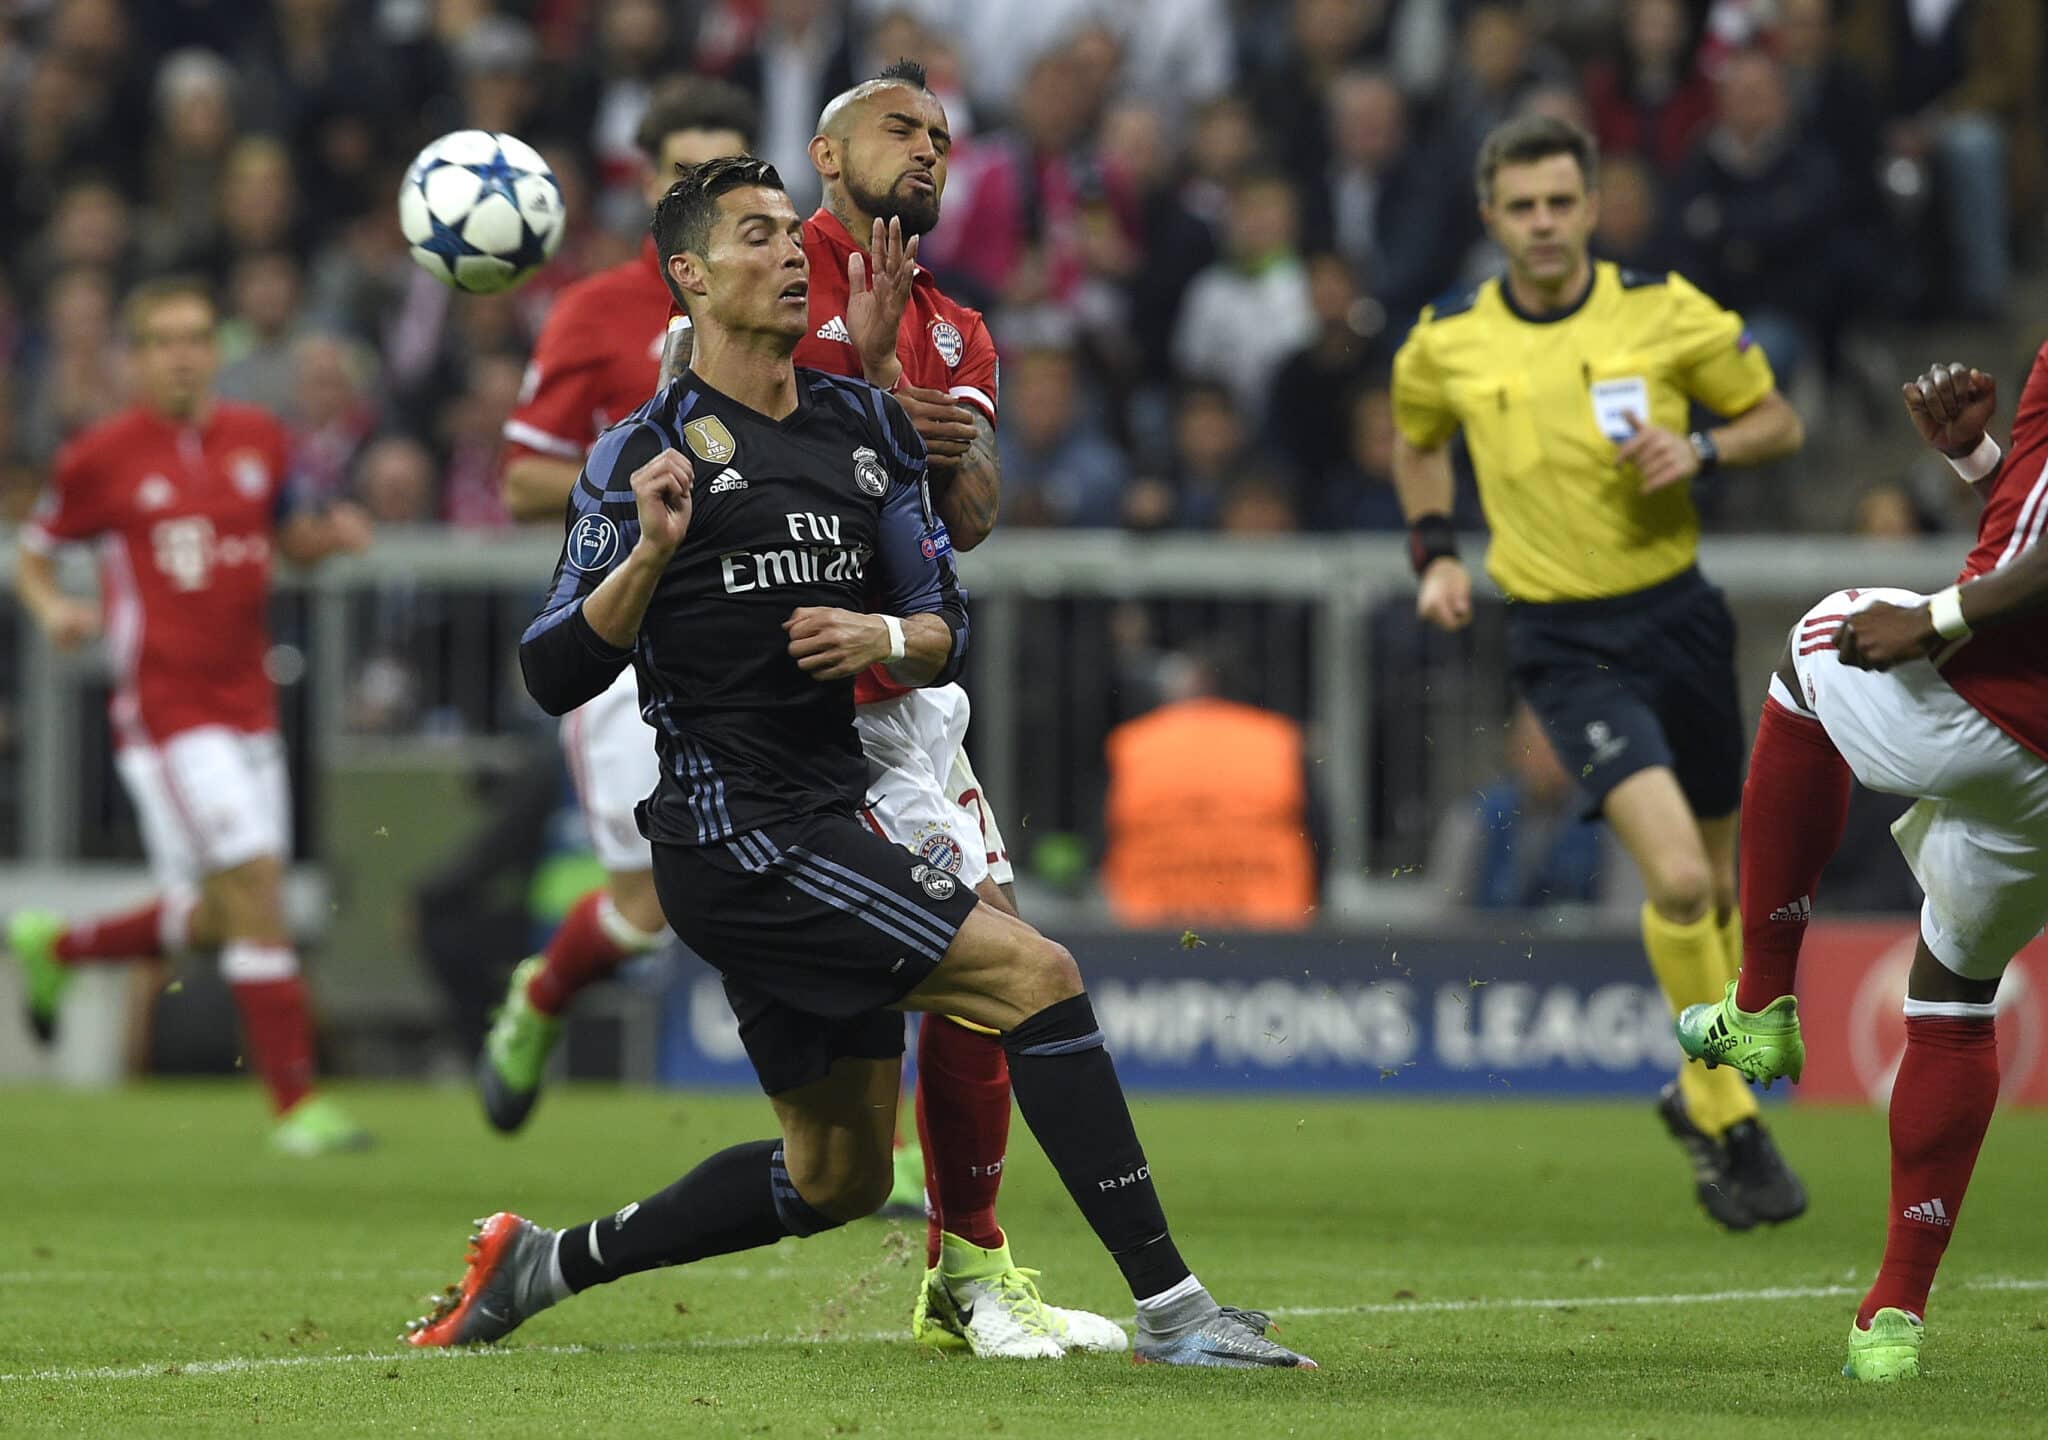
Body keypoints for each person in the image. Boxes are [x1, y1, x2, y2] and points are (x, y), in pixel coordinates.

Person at [403, 156, 1313, 1371]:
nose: (790, 254)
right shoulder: (642, 455)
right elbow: (551, 669)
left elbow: (944, 623)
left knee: (831, 1175)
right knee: (1032, 974)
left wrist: (881, 634)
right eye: (755, 237)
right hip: (735, 830)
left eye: (792, 234)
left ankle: (544, 1261)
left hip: (826, 811)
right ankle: (1174, 1311)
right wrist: (647, 558)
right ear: (688, 275)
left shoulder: (866, 427)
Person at [490, 60, 1121, 1361]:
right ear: (827, 157)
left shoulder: (945, 326)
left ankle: (958, 1264)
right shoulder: (747, 289)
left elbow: (968, 522)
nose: (933, 149)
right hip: (754, 732)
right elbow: (629, 455)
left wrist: (895, 386)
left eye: (947, 134)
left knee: (847, 1152)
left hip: (886, 688)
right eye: (904, 127)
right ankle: (985, 1271)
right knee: (993, 963)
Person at [1389, 114, 1808, 1230]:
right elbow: (1416, 436)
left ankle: (1690, 1087)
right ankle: (1727, 1116)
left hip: (1678, 617)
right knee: (1675, 882)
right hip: (1564, 643)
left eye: (1559, 203)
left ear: (1588, 206)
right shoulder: (1445, 341)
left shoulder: (1663, 311)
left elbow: (1776, 417)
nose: (1541, 224)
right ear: (1490, 218)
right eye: (1520, 207)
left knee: (1718, 892)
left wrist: (1704, 447)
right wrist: (1432, 551)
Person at [1678, 357, 2048, 1382]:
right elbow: (2030, 522)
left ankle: (1759, 1003)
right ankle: (1893, 1314)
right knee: (1953, 989)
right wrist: (1977, 457)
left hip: (2005, 712)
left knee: (1812, 651)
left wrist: (1930, 620)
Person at [7, 277, 374, 1154]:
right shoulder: (100, 457)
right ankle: (297, 1108)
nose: (181, 354)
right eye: (163, 339)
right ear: (135, 358)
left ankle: (55, 949)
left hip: (249, 707)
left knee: (216, 916)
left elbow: (290, 540)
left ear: (215, 349)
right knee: (256, 887)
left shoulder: (258, 439)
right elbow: (33, 554)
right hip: (166, 713)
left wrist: (327, 541)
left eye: (196, 337)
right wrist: (54, 610)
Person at [481, 75, 762, 1138]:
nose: (706, 189)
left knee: (821, 871)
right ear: (648, 187)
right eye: (685, 172)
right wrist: (643, 492)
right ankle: (543, 993)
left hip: (766, 624)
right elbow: (518, 483)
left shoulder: (791, 295)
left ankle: (871, 1137)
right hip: (630, 635)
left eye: (727, 172)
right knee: (647, 909)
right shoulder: (596, 310)